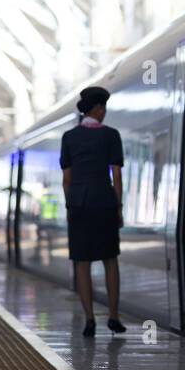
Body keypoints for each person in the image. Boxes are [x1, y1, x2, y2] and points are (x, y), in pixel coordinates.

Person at [60, 86, 126, 337]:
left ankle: (89, 319)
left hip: (79, 205)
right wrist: (118, 208)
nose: (105, 112)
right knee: (110, 260)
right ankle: (113, 316)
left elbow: (66, 179)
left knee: (82, 263)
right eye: (104, 108)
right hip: (104, 203)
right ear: (97, 109)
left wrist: (70, 206)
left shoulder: (69, 137)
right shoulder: (111, 136)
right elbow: (116, 176)